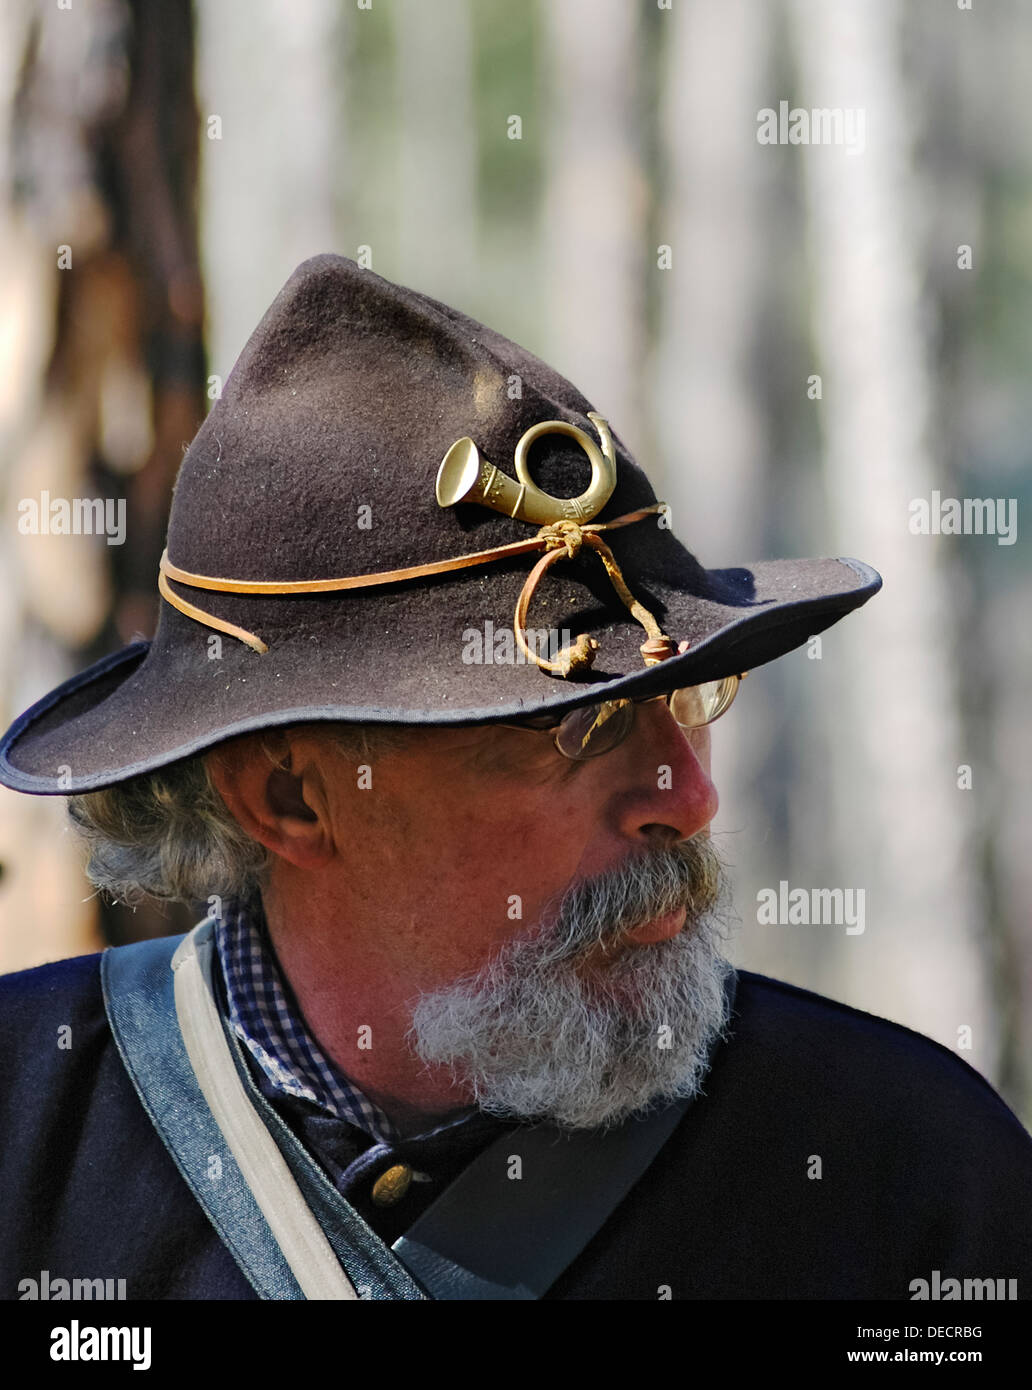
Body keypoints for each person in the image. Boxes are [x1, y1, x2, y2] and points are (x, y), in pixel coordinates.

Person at [0, 255, 1029, 1302]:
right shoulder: (22, 1133)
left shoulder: (909, 1174)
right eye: (577, 725)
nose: (687, 797)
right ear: (291, 798)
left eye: (682, 697)